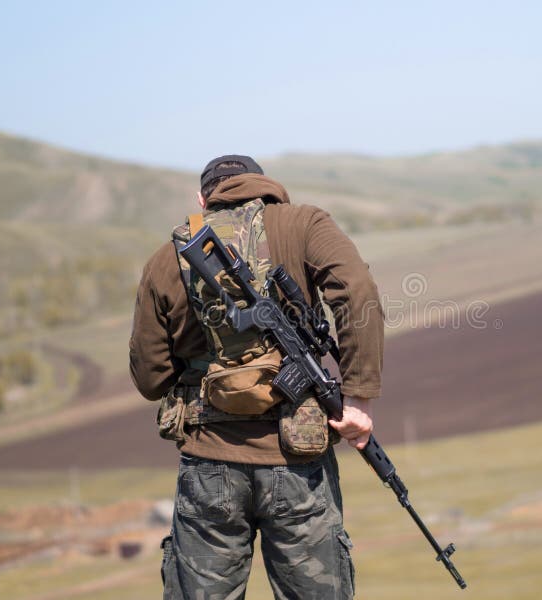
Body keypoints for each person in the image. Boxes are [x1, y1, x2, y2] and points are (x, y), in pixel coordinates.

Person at [129, 155, 384, 599]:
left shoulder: (167, 258)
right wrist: (358, 396)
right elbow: (356, 289)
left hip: (209, 466)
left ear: (202, 199)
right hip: (297, 458)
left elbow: (151, 378)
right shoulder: (305, 224)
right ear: (265, 185)